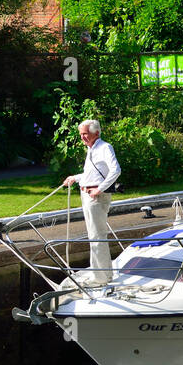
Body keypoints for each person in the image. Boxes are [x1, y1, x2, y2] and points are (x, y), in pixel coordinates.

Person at [63, 119, 121, 284]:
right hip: (87, 195)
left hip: (96, 197)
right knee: (94, 236)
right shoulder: (91, 150)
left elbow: (116, 170)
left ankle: (101, 278)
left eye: (85, 134)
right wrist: (75, 177)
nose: (82, 137)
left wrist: (100, 189)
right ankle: (102, 274)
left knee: (97, 236)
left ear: (96, 133)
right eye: (81, 134)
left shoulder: (104, 148)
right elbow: (91, 175)